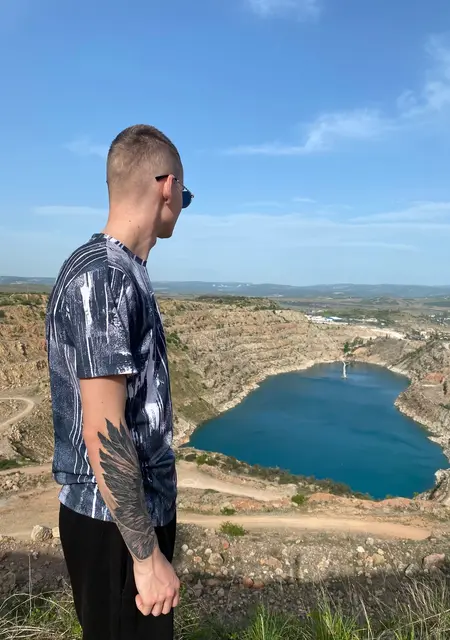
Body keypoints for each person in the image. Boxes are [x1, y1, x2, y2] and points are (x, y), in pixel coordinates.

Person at [45, 124, 194, 640]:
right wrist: (146, 559)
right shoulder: (104, 279)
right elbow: (104, 428)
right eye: (186, 196)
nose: (183, 206)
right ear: (167, 187)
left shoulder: (117, 271)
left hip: (121, 525)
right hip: (115, 529)